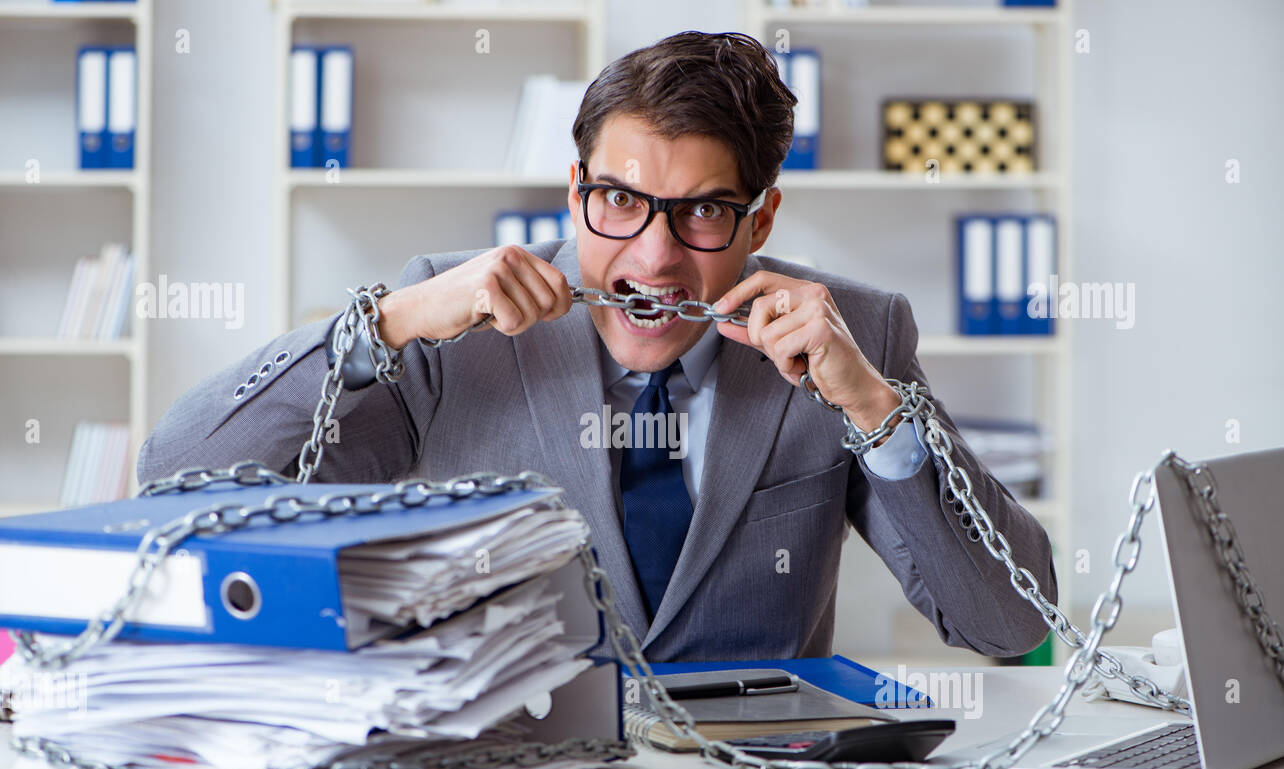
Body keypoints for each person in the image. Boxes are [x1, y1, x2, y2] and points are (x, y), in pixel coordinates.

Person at [137, 31, 1058, 663]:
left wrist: (873, 406)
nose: (654, 259)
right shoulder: (445, 326)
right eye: (619, 201)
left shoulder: (855, 336)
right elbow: (180, 476)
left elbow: (1011, 624)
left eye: (702, 211)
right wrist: (385, 325)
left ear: (762, 216)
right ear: (574, 186)